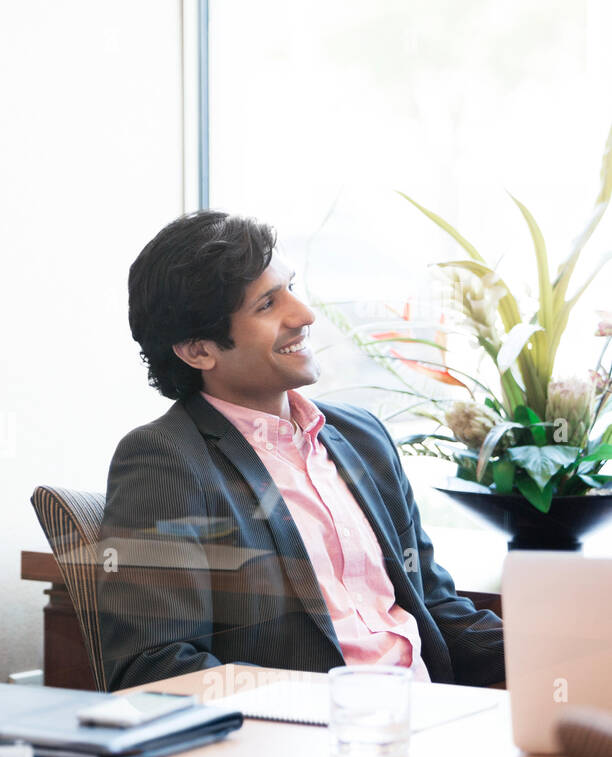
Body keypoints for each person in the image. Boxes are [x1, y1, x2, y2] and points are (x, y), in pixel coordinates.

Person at [98, 209, 505, 691]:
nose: (304, 315)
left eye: (291, 287)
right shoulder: (163, 460)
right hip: (306, 743)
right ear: (198, 350)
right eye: (268, 304)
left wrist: (567, 649)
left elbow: (435, 607)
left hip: (430, 719)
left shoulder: (363, 437)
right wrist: (322, 712)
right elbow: (152, 665)